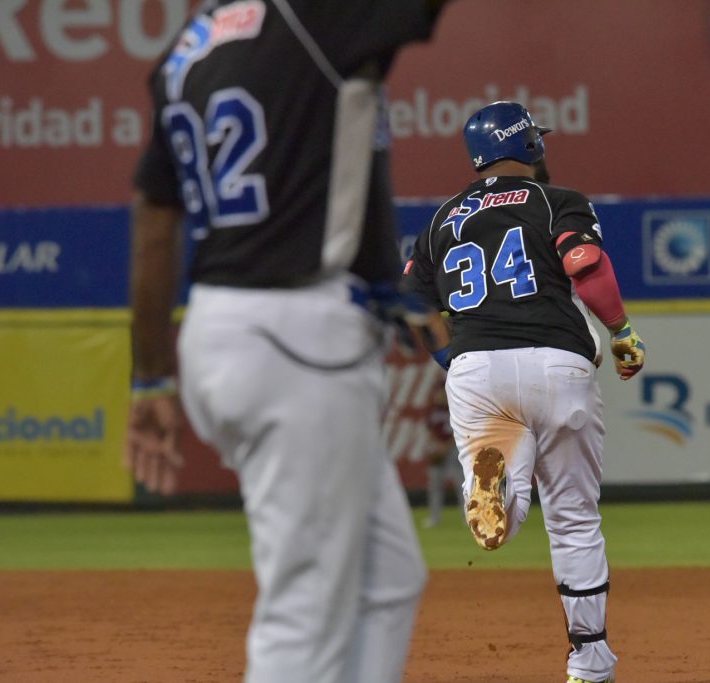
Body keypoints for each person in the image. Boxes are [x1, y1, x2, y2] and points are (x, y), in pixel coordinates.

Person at [124, 2, 453, 681]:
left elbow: (155, 222)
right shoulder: (320, 17)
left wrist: (151, 377)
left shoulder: (186, 50)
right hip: (296, 332)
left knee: (388, 574)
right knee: (302, 612)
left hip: (219, 326)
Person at [403, 101, 645, 683]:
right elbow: (585, 265)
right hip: (557, 362)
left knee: (505, 517)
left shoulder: (441, 219)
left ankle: (497, 494)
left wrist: (449, 358)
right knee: (574, 519)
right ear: (527, 144)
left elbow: (410, 302)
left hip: (476, 370)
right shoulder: (555, 199)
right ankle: (589, 662)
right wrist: (621, 331)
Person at [422, 376, 463, 528]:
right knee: (434, 485)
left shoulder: (457, 408)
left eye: (443, 392)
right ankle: (434, 518)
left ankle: (468, 518)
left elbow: (460, 431)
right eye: (439, 392)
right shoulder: (433, 409)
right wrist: (435, 446)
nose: (440, 395)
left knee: (462, 485)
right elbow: (429, 430)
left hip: (454, 451)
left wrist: (445, 447)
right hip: (438, 451)